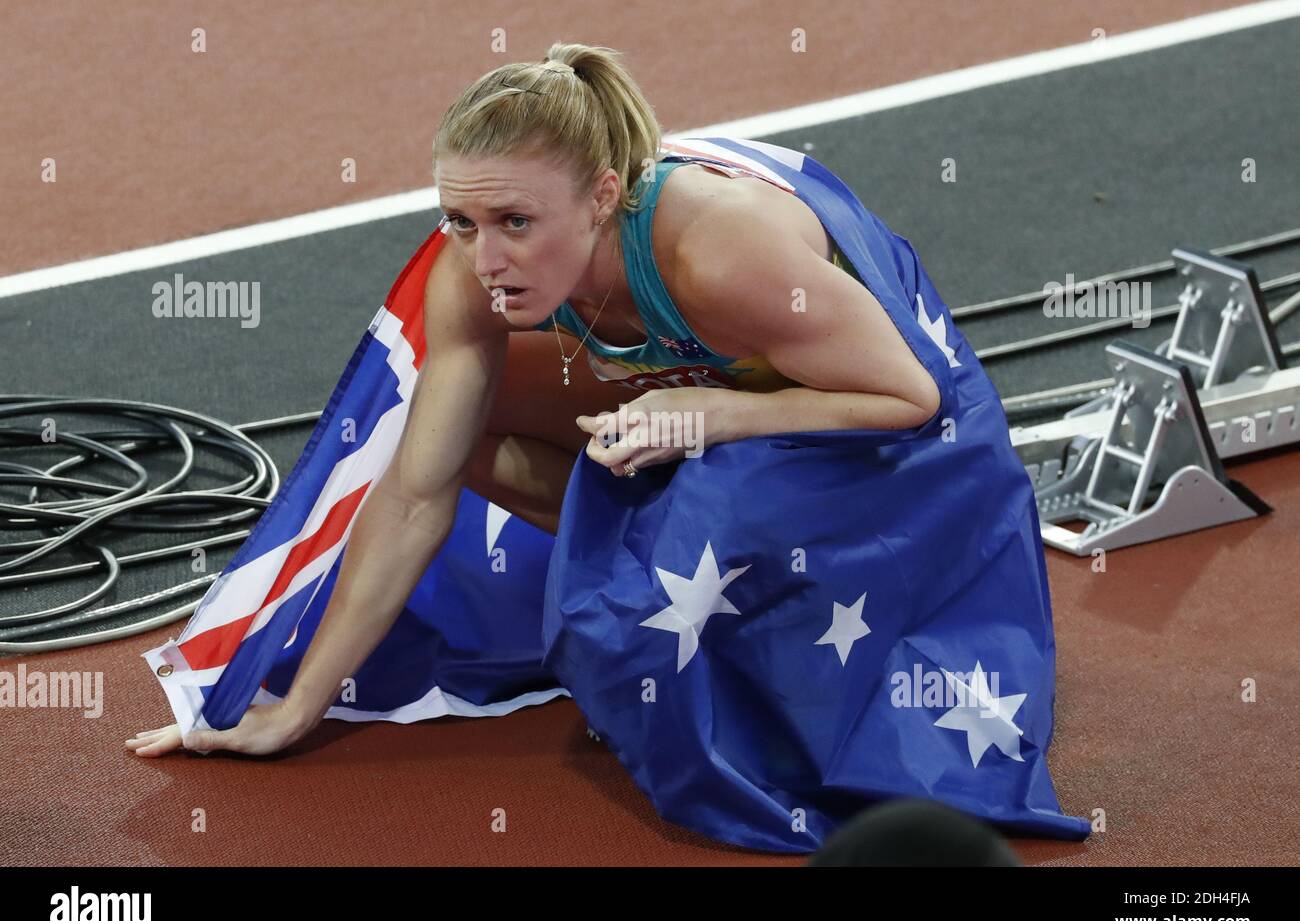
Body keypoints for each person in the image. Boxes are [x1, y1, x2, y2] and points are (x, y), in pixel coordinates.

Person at [130, 43, 1087, 853]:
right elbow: (418, 492)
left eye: (514, 223)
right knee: (448, 419)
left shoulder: (719, 253)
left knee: (707, 519)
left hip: (883, 417)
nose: (484, 257)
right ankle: (648, 557)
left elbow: (908, 398)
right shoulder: (473, 272)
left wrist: (712, 414)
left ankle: (715, 595)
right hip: (728, 378)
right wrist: (297, 712)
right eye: (459, 221)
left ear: (602, 196)